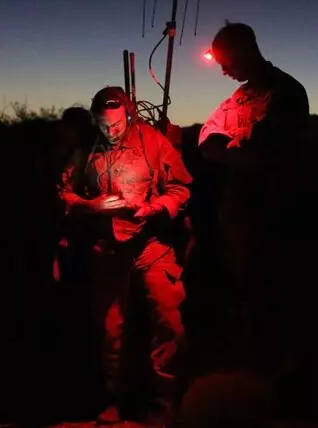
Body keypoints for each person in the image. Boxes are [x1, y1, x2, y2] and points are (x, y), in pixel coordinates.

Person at [58, 86, 192, 426]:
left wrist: (152, 208)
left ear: (129, 115)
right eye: (104, 125)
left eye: (116, 125)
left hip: (151, 246)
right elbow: (64, 194)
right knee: (110, 329)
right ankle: (116, 399)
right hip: (107, 249)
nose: (111, 131)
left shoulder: (151, 141)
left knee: (167, 322)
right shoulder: (87, 148)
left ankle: (165, 402)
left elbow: (180, 187)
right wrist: (91, 205)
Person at [197, 21, 310, 374]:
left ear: (244, 50)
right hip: (237, 213)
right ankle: (252, 369)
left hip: (273, 213)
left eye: (225, 62)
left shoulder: (285, 93)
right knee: (242, 290)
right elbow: (206, 139)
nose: (223, 71)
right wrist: (234, 148)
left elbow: (267, 154)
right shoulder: (238, 98)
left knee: (272, 294)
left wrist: (231, 150)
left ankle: (277, 378)